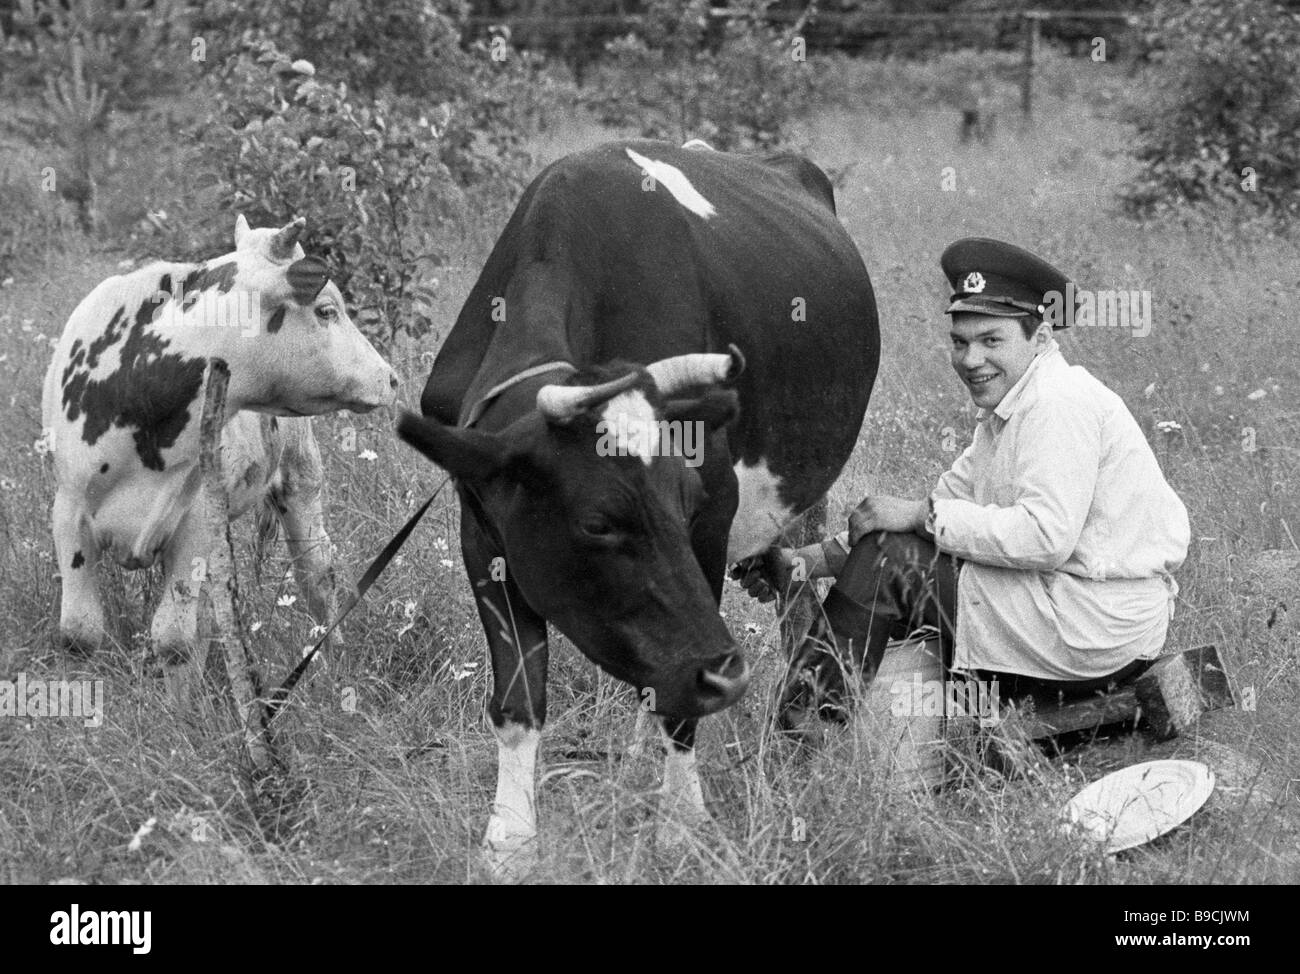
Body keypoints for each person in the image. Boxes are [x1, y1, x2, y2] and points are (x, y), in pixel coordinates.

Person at [735, 238, 1191, 732]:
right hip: (1064, 606)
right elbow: (943, 506)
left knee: (891, 561)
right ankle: (884, 735)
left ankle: (802, 735)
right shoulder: (1009, 410)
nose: (971, 359)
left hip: (1095, 624)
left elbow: (1045, 537)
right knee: (894, 557)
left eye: (991, 341)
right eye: (960, 341)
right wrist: (804, 563)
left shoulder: (1060, 404)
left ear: (1040, 338)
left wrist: (920, 517)